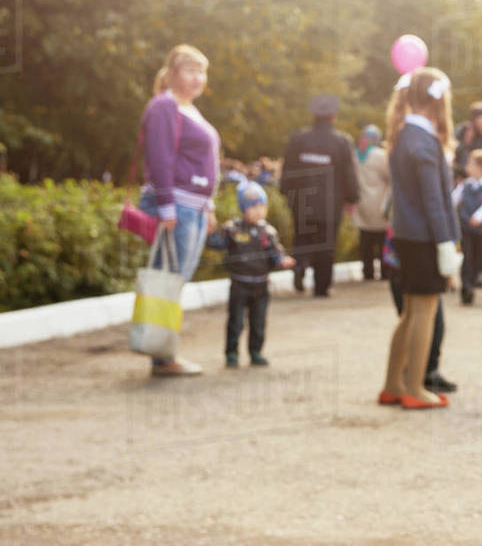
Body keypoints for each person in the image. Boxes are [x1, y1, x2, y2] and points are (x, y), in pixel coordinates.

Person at [379, 68, 462, 409]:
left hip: (410, 235)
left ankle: (393, 384)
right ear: (437, 100)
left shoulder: (405, 134)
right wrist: (446, 243)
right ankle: (414, 387)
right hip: (426, 237)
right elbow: (434, 201)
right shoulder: (422, 141)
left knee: (411, 312)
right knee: (424, 311)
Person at [137, 44, 221, 378]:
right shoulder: (164, 107)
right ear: (172, 73)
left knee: (175, 282)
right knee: (167, 281)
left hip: (195, 208)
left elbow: (201, 162)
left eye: (201, 71)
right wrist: (167, 207)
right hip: (178, 209)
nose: (197, 78)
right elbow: (160, 159)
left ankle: (163, 352)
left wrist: (209, 205)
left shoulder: (190, 110)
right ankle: (161, 357)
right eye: (189, 70)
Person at [206, 180, 296, 367]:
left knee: (259, 321)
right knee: (236, 321)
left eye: (262, 206)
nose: (258, 210)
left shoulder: (268, 232)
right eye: (253, 207)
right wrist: (207, 233)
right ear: (243, 208)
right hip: (240, 284)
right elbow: (217, 244)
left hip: (261, 285)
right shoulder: (233, 229)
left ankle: (255, 352)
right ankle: (231, 353)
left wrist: (282, 260)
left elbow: (275, 252)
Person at [280, 94, 360, 296]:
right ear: (333, 116)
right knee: (326, 244)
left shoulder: (299, 138)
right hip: (329, 204)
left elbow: (287, 170)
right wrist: (352, 197)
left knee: (303, 236)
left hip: (301, 201)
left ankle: (300, 265)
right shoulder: (341, 141)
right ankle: (321, 287)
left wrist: (287, 194)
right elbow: (348, 173)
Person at [451, 148, 482, 305]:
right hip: (465, 227)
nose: (467, 166)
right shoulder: (465, 185)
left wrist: (478, 216)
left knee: (478, 256)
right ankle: (466, 287)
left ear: (481, 167)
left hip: (480, 229)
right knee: (467, 256)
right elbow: (453, 200)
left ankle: (473, 279)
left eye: (470, 164)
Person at [353, 124, 392, 281]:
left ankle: (367, 271)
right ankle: (384, 272)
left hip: (362, 203)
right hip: (380, 202)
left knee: (365, 240)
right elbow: (390, 177)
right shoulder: (381, 155)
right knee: (382, 239)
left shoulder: (355, 154)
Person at [453, 100, 482, 180]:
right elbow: (454, 154)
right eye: (479, 122)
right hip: (464, 177)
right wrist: (465, 143)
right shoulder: (462, 131)